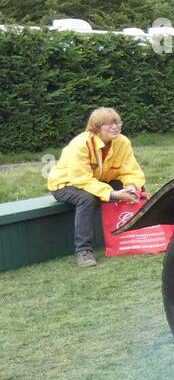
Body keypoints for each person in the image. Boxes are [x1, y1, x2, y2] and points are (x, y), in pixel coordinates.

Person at [46, 107, 146, 268]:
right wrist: (112, 194)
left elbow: (131, 170)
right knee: (86, 198)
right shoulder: (80, 144)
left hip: (96, 180)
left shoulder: (122, 141)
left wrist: (132, 187)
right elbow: (81, 179)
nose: (115, 127)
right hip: (66, 184)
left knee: (138, 188)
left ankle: (137, 236)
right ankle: (84, 251)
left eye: (117, 122)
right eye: (108, 124)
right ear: (96, 127)